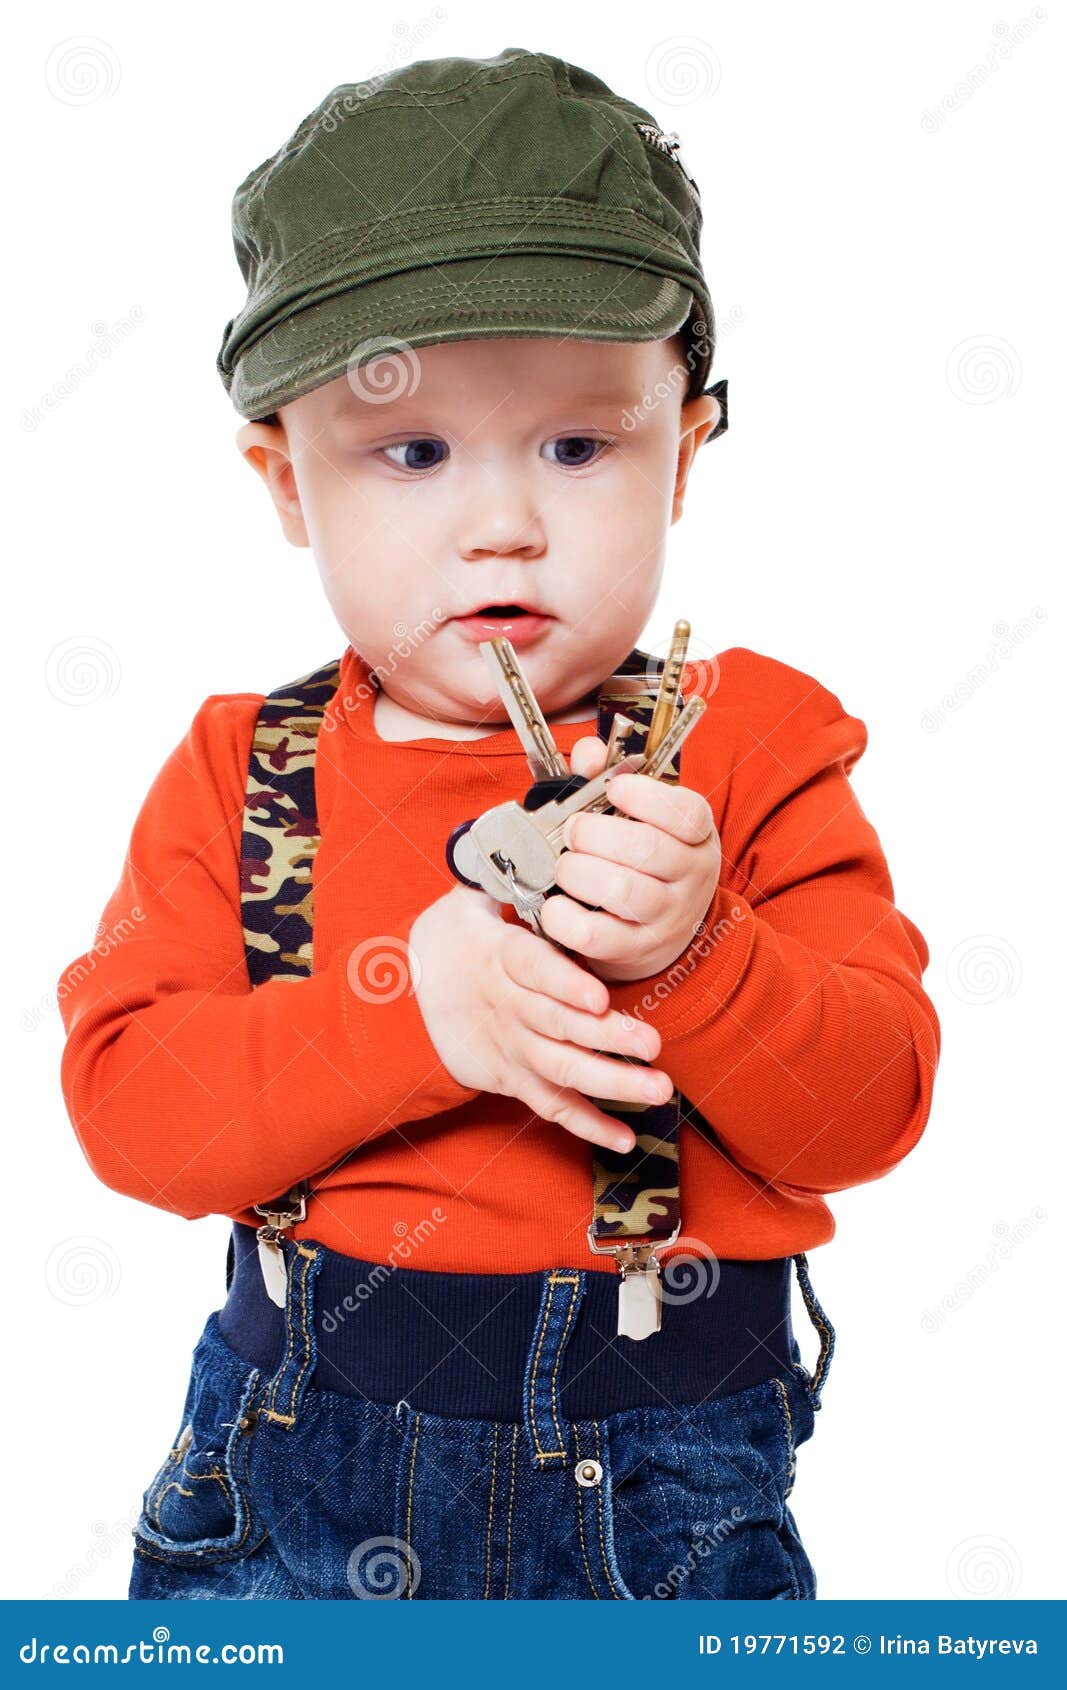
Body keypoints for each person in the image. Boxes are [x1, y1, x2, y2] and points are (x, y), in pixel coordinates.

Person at [56, 47, 939, 1601]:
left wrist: (696, 954)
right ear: (285, 484)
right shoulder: (241, 771)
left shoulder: (754, 745)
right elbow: (131, 1110)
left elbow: (866, 1110)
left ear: (687, 455)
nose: (503, 522)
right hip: (286, 1479)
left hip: (659, 1491)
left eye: (579, 445)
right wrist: (420, 1014)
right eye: (410, 451)